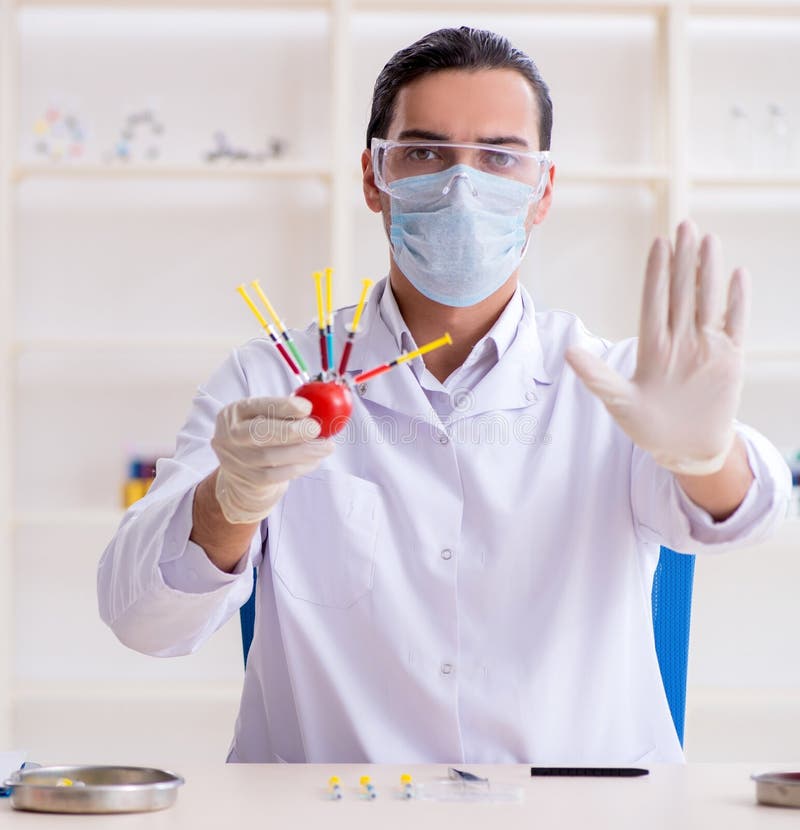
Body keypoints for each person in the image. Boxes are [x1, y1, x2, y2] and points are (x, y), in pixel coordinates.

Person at [98, 27, 791, 764]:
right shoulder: (270, 380)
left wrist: (704, 455)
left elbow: (747, 518)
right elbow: (143, 622)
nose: (463, 186)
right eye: (426, 153)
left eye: (500, 156)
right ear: (374, 176)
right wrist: (227, 503)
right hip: (332, 807)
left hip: (579, 806)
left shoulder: (617, 388)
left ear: (543, 191)